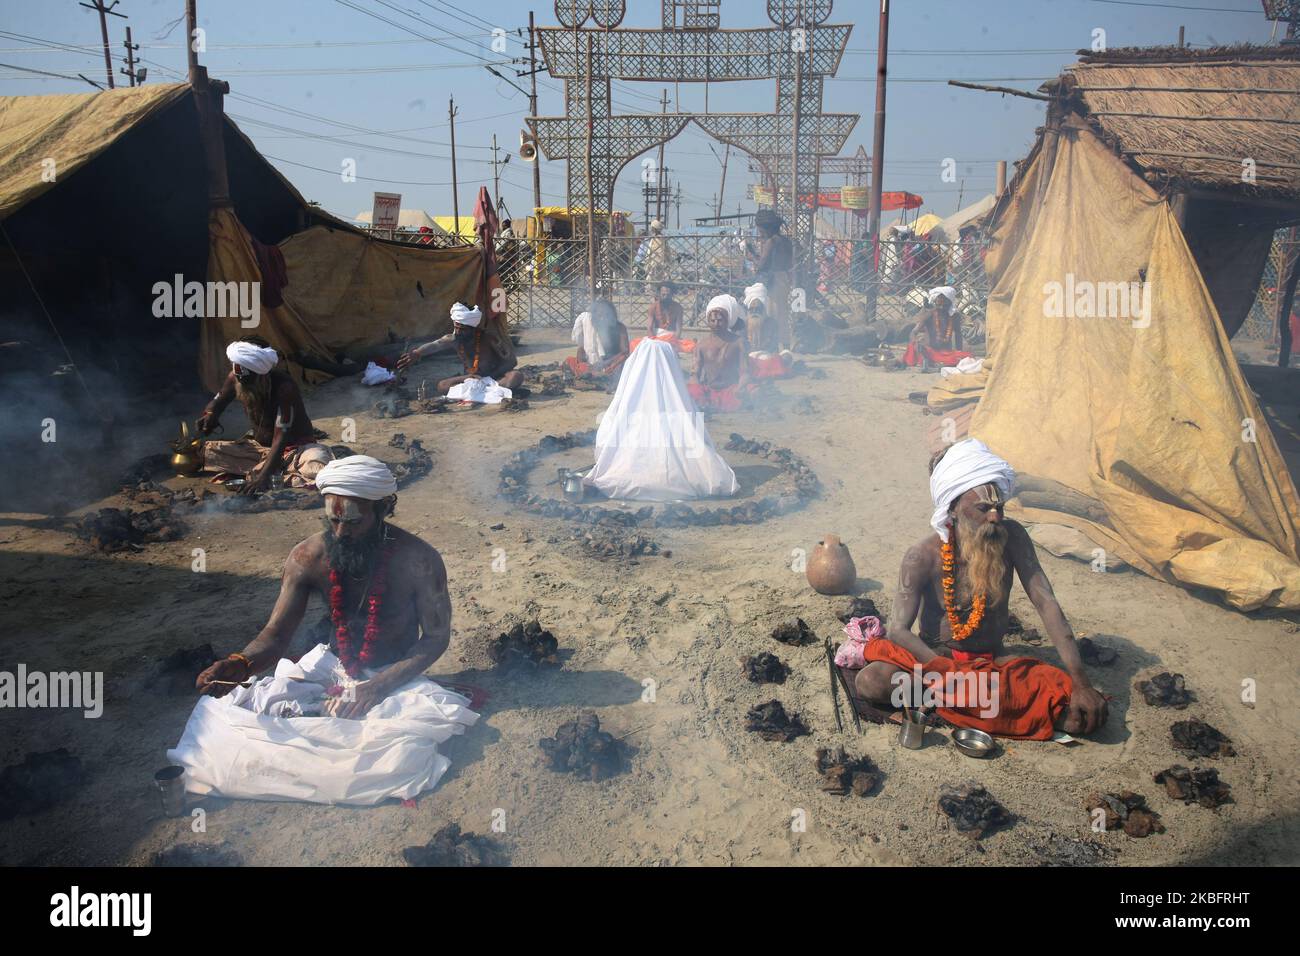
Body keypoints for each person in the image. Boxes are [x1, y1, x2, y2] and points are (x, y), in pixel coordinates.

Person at [851, 439, 1109, 740]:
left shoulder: (1011, 537)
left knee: (1079, 716)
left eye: (999, 507)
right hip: (935, 660)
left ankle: (958, 702)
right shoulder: (922, 555)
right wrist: (945, 670)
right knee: (873, 682)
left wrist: (1081, 682)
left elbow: (1046, 602)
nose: (995, 517)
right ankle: (965, 701)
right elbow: (897, 630)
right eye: (984, 508)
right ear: (954, 509)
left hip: (992, 663)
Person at [195, 456, 452, 719]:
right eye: (333, 520)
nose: (340, 533)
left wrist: (377, 688)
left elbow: (436, 637)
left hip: (394, 676)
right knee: (234, 713)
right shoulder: (307, 557)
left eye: (353, 522)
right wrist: (241, 663)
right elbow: (276, 634)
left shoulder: (419, 560)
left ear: (385, 507)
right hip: (331, 667)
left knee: (409, 737)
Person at [197, 340, 333, 494]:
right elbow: (218, 401)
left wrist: (263, 478)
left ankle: (266, 471)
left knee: (317, 464)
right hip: (257, 449)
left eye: (247, 380)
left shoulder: (284, 387)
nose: (241, 382)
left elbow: (281, 436)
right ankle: (270, 470)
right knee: (202, 453)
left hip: (295, 450)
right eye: (239, 378)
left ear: (261, 374)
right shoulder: (237, 377)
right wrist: (210, 415)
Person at [395, 302, 523, 396]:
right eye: (456, 327)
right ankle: (489, 392)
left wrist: (489, 376)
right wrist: (417, 353)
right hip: (470, 379)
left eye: (462, 329)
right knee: (442, 386)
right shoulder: (453, 339)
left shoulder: (489, 337)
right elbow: (435, 345)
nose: (457, 332)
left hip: (495, 378)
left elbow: (512, 361)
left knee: (515, 377)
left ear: (472, 328)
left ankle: (486, 391)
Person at [688, 294, 751, 412]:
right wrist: (696, 387)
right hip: (709, 392)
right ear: (708, 322)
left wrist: (740, 387)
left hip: (731, 390)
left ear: (728, 321)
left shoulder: (738, 342)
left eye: (720, 320)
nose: (716, 324)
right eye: (713, 320)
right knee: (688, 391)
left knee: (754, 391)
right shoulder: (701, 345)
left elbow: (745, 372)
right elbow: (694, 374)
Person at [747, 209, 793, 347]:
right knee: (782, 313)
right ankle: (785, 345)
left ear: (766, 229)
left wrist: (752, 257)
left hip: (772, 281)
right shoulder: (786, 241)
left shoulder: (771, 242)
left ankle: (772, 345)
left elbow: (762, 265)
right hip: (784, 278)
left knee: (771, 314)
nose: (760, 233)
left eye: (760, 230)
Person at [566, 299, 631, 385]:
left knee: (619, 370)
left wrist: (608, 365)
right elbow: (581, 349)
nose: (603, 318)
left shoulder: (620, 328)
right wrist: (584, 363)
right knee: (570, 362)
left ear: (612, 315)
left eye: (607, 315)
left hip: (613, 363)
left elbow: (625, 352)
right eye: (600, 315)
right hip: (594, 365)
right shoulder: (591, 327)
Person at [904, 286, 971, 369]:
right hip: (929, 352)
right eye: (940, 302)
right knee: (913, 348)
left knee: (966, 356)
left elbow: (958, 336)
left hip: (946, 353)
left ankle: (935, 363)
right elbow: (913, 332)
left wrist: (959, 353)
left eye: (945, 302)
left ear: (950, 302)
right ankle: (934, 362)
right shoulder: (930, 314)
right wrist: (915, 343)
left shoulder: (954, 317)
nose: (942, 305)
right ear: (935, 301)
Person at [743, 282, 793, 378]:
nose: (754, 312)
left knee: (787, 355)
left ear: (764, 309)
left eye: (758, 309)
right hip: (749, 359)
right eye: (752, 309)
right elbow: (741, 346)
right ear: (748, 310)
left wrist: (764, 351)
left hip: (766, 357)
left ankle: (764, 371)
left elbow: (774, 347)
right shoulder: (743, 324)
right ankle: (769, 371)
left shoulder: (772, 323)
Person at [634, 281, 695, 354]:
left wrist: (673, 341)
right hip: (656, 337)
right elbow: (649, 328)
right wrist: (653, 341)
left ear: (672, 294)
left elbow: (678, 329)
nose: (665, 297)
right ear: (659, 294)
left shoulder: (678, 308)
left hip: (671, 337)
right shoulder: (653, 307)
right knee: (635, 344)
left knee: (693, 346)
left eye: (668, 295)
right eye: (663, 294)